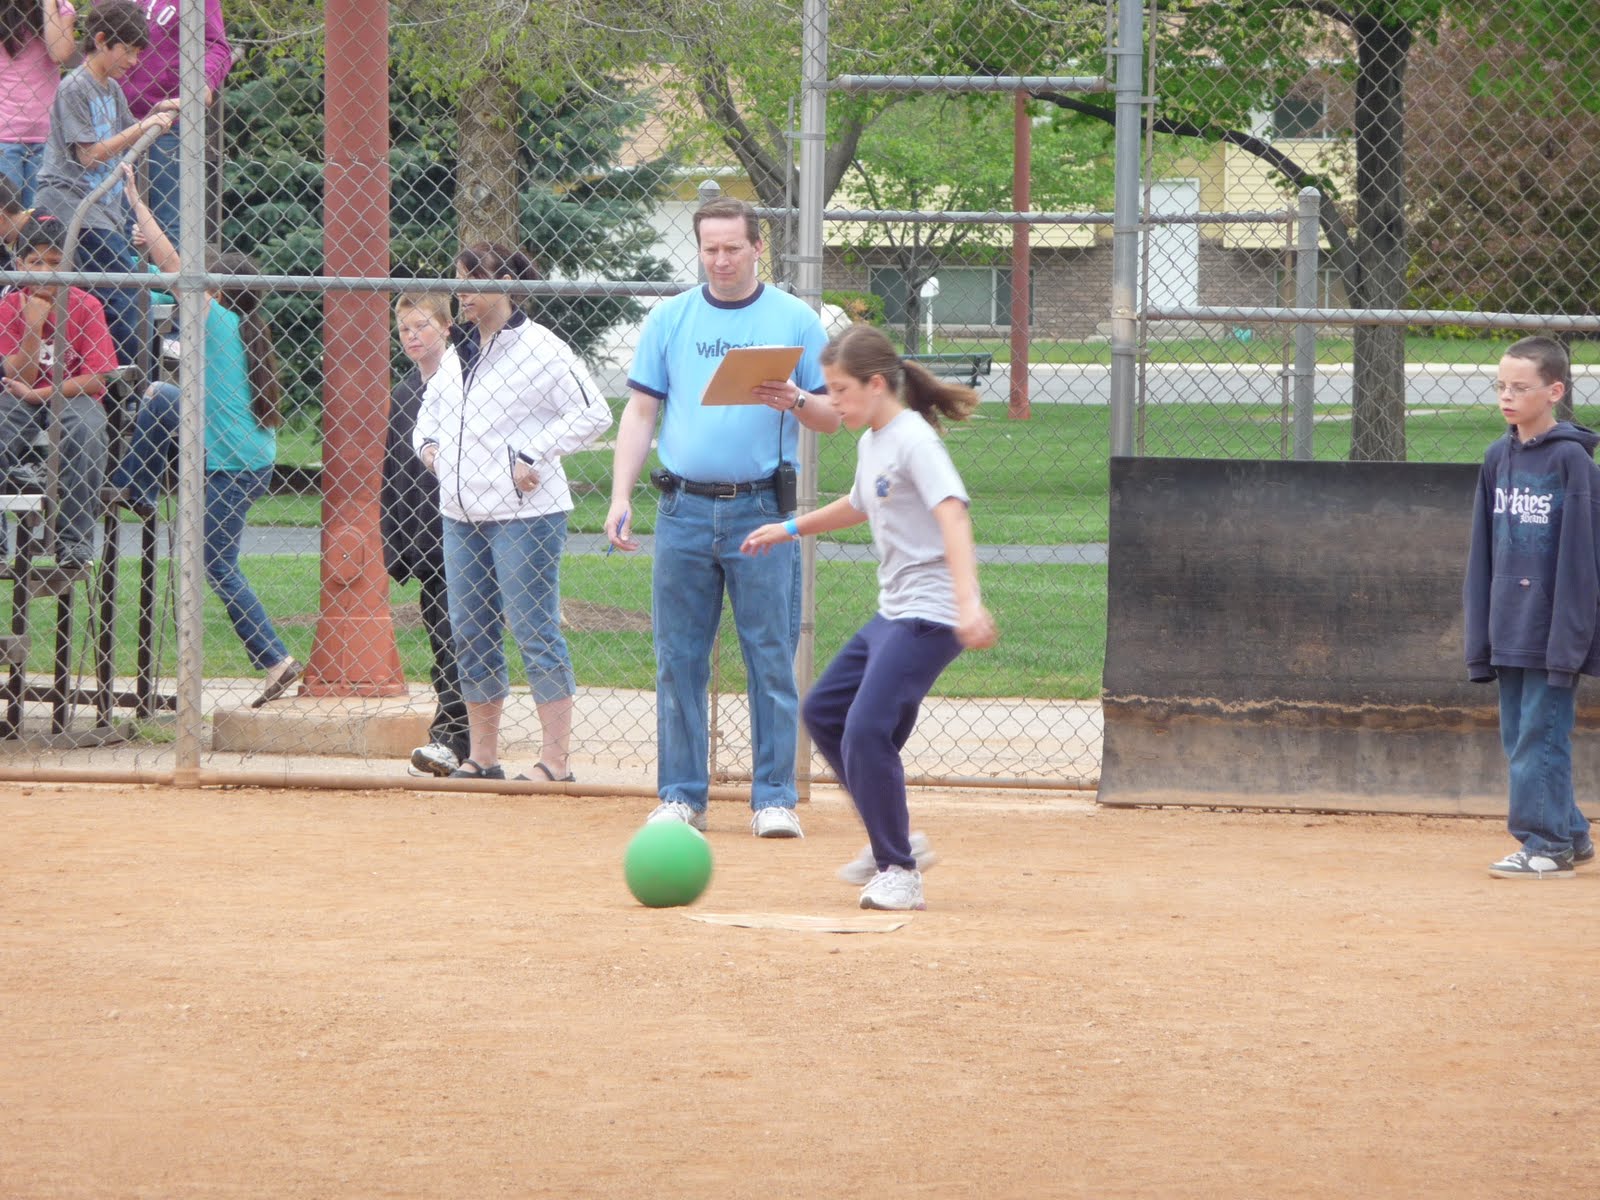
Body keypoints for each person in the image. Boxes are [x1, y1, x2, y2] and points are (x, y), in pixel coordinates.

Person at [742, 324, 1000, 909]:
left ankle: (900, 870)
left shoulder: (913, 440)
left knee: (865, 730)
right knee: (825, 712)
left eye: (839, 390)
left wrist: (968, 604)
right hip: (895, 612)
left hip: (931, 616)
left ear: (876, 384)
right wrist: (787, 529)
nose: (832, 403)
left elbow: (954, 515)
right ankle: (896, 837)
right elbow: (859, 504)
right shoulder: (873, 439)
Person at [605, 195, 839, 838]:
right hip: (683, 509)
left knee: (769, 652)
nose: (721, 259)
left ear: (757, 247)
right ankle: (682, 795)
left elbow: (833, 415)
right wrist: (621, 495)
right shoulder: (671, 318)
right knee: (678, 656)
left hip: (761, 509)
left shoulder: (794, 319)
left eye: (733, 247)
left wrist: (794, 397)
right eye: (710, 248)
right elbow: (641, 412)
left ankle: (773, 797)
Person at [414, 243, 610, 782]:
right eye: (459, 281)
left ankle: (555, 761)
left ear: (506, 283)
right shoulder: (458, 353)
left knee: (533, 629)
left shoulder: (541, 348)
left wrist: (536, 451)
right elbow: (429, 414)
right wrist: (427, 447)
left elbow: (594, 413)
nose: (463, 292)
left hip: (528, 513)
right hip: (460, 511)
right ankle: (483, 757)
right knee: (470, 631)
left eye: (474, 281)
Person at [111, 167, 300, 707]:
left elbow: (173, 266)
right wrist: (142, 248)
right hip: (241, 456)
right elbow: (159, 269)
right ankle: (137, 487)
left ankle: (275, 659)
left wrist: (136, 201)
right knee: (162, 396)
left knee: (214, 563)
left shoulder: (217, 322)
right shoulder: (239, 326)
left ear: (212, 291)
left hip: (234, 464)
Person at [1464, 334, 1600, 880]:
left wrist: (1570, 640)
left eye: (1521, 387)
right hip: (1510, 626)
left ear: (1554, 391)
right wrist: (1483, 634)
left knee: (1538, 737)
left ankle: (1545, 844)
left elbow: (1582, 562)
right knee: (1521, 736)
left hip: (1551, 633)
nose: (1507, 396)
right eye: (1501, 386)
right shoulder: (1497, 458)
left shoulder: (1573, 463)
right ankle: (1570, 833)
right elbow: (1484, 550)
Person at [33, 0, 177, 370]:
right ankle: (125, 382)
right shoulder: (74, 88)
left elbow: (126, 137)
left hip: (105, 213)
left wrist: (159, 114)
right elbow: (91, 155)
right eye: (127, 51)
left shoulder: (111, 90)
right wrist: (145, 125)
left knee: (123, 294)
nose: (132, 62)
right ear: (101, 40)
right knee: (126, 295)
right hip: (74, 207)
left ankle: (112, 376)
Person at [382, 292, 470, 777]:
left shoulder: (463, 383)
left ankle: (455, 738)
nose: (413, 337)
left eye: (422, 326)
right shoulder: (403, 394)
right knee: (443, 638)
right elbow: (396, 474)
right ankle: (455, 737)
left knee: (462, 637)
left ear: (446, 327)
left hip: (467, 529)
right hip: (427, 539)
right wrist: (398, 538)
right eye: (405, 330)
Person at [0, 214, 114, 568]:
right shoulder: (6, 307)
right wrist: (33, 326)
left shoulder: (86, 305)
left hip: (71, 394)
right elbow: (19, 373)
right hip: (15, 393)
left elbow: (97, 378)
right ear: (19, 265)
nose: (46, 272)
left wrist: (39, 394)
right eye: (35, 262)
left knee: (87, 429)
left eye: (55, 263)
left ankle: (74, 541)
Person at [115, 0, 230, 246]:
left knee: (171, 223)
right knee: (115, 221)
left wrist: (202, 84)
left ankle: (172, 285)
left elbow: (216, 46)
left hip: (167, 120)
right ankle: (120, 284)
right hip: (113, 120)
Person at [0, 0, 77, 208]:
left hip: (47, 139)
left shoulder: (60, 8)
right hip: (3, 139)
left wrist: (49, 4)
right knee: (5, 226)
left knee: (39, 226)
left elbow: (58, 53)